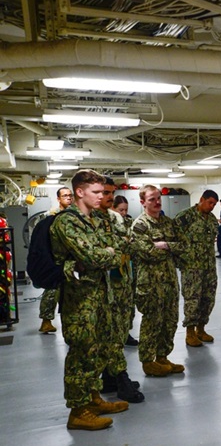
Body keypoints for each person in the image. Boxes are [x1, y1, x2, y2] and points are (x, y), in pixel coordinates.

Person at [50, 170, 128, 430]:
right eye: (95, 192)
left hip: (100, 295)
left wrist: (104, 253)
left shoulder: (95, 219)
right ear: (79, 192)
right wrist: (103, 254)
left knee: (98, 351)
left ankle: (93, 398)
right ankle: (78, 410)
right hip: (79, 301)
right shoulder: (66, 222)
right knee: (81, 353)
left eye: (102, 192)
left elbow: (114, 248)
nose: (101, 197)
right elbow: (95, 256)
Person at [95, 176, 144, 403]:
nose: (108, 196)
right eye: (105, 192)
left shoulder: (115, 218)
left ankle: (110, 376)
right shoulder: (88, 220)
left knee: (119, 330)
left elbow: (126, 245)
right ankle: (120, 377)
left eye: (111, 192)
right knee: (111, 334)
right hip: (104, 287)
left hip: (122, 283)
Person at [130, 185, 186, 376]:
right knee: (151, 323)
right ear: (143, 202)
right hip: (150, 284)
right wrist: (168, 249)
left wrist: (166, 245)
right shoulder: (140, 225)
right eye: (152, 199)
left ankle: (163, 357)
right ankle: (148, 361)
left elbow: (183, 246)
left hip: (170, 281)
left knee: (170, 321)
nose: (157, 202)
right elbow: (147, 252)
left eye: (158, 198)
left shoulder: (168, 223)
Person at [175, 190, 219, 347]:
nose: (212, 206)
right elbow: (174, 240)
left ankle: (201, 329)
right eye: (210, 203)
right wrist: (181, 261)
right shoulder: (185, 217)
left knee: (208, 299)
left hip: (209, 267)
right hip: (191, 267)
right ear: (201, 199)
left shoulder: (212, 220)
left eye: (214, 204)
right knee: (192, 299)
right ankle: (190, 332)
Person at [38, 186, 72, 334]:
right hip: (54, 258)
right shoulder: (51, 215)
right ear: (58, 198)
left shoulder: (73, 215)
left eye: (70, 195)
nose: (68, 198)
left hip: (69, 258)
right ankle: (46, 321)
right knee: (52, 290)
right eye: (65, 196)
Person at [111, 195, 138, 346]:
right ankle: (115, 335)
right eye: (120, 210)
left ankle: (126, 332)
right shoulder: (108, 223)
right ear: (113, 208)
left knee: (129, 305)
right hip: (115, 270)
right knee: (116, 305)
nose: (123, 213)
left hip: (128, 268)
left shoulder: (129, 222)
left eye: (126, 210)